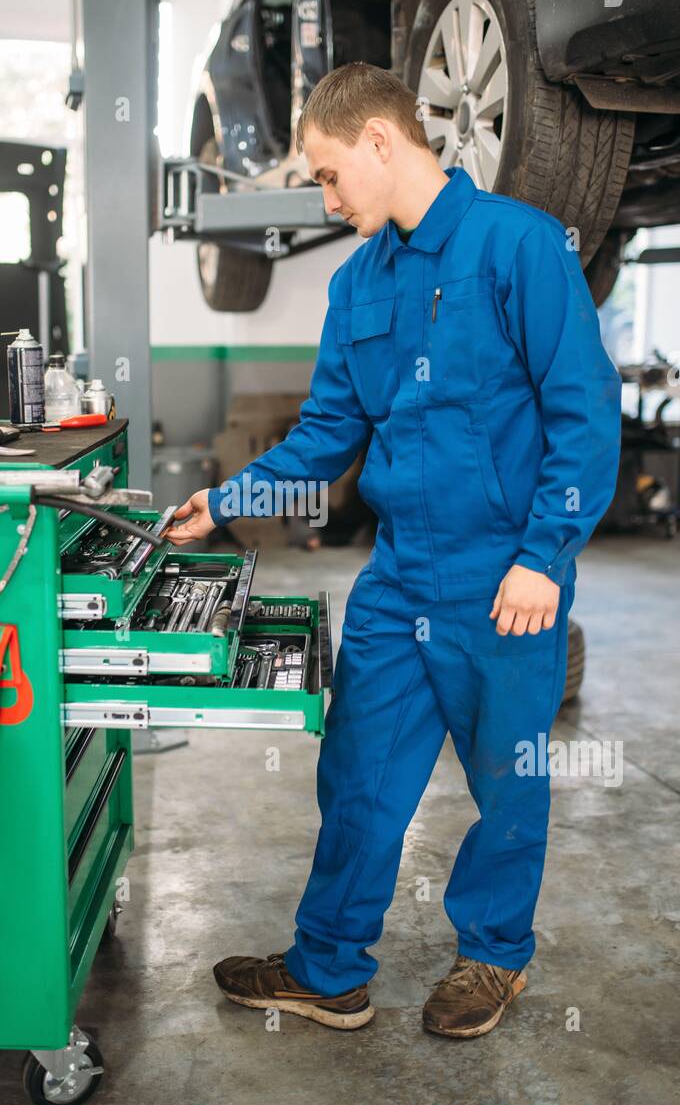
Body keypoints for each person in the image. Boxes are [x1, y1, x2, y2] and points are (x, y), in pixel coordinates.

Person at [163, 62, 622, 1038]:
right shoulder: (355, 284)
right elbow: (326, 438)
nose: (325, 200)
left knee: (507, 782)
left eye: (330, 176)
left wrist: (546, 556)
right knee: (359, 771)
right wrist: (227, 502)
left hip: (505, 578)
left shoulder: (520, 248)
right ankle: (330, 967)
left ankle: (492, 956)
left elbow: (585, 417)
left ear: (380, 141)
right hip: (399, 572)